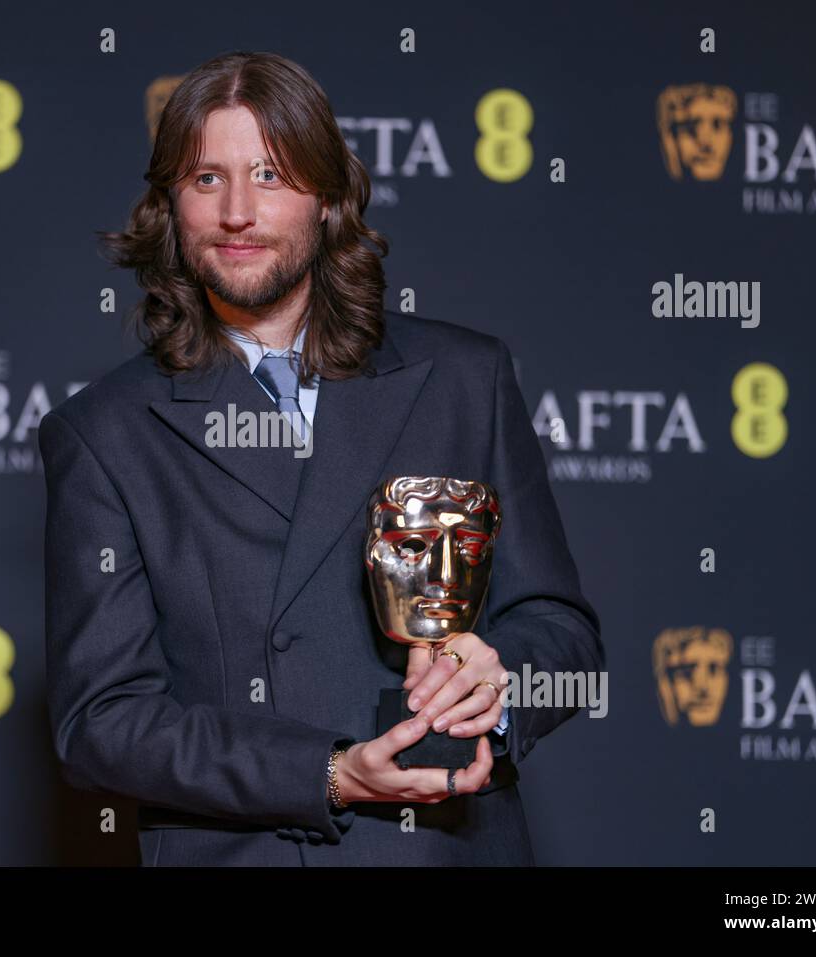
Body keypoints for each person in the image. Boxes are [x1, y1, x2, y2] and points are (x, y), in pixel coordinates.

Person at [37, 50, 603, 866]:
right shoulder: (104, 433)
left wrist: (501, 683)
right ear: (170, 207)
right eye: (206, 179)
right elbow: (102, 722)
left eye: (270, 174)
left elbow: (563, 633)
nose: (237, 211)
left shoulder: (463, 379)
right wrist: (327, 773)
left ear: (330, 197)